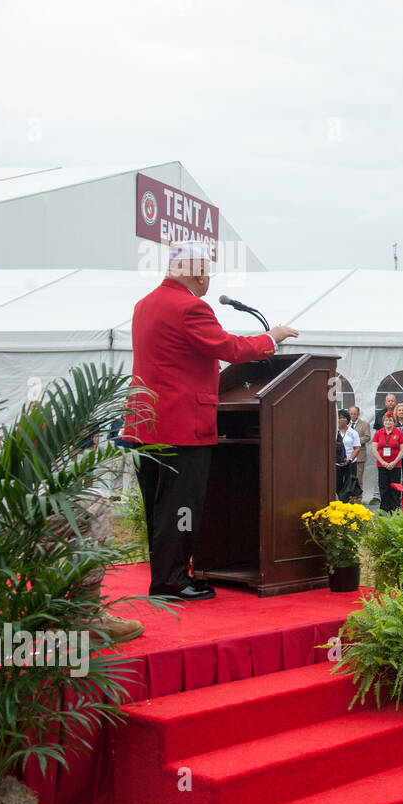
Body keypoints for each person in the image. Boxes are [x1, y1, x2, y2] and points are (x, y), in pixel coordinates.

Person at [124, 240, 297, 602]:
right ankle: (172, 581)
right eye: (206, 271)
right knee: (181, 506)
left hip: (146, 424)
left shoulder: (144, 306)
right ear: (197, 272)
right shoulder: (190, 307)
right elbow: (229, 349)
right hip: (182, 425)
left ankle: (164, 576)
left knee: (158, 505)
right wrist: (272, 337)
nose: (208, 280)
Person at [373, 412, 403, 512]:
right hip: (381, 464)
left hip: (395, 465)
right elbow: (374, 449)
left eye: (390, 420)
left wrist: (394, 462)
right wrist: (382, 462)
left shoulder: (399, 433)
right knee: (383, 486)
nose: (388, 422)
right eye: (386, 420)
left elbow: (402, 450)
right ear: (383, 422)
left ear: (394, 422)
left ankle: (394, 508)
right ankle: (384, 508)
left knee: (394, 486)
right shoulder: (378, 433)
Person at [336, 410, 361, 502]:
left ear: (347, 420)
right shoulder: (334, 432)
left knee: (349, 485)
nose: (341, 420)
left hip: (350, 463)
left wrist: (350, 459)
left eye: (343, 418)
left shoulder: (353, 432)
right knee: (337, 485)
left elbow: (357, 448)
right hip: (337, 463)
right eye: (340, 418)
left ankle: (348, 503)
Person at [348, 405, 370, 503]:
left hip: (359, 456)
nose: (352, 416)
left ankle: (358, 499)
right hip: (347, 456)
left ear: (358, 414)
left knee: (358, 478)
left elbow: (367, 437)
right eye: (351, 414)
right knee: (348, 478)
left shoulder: (364, 424)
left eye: (354, 414)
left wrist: (355, 441)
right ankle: (348, 498)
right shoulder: (345, 424)